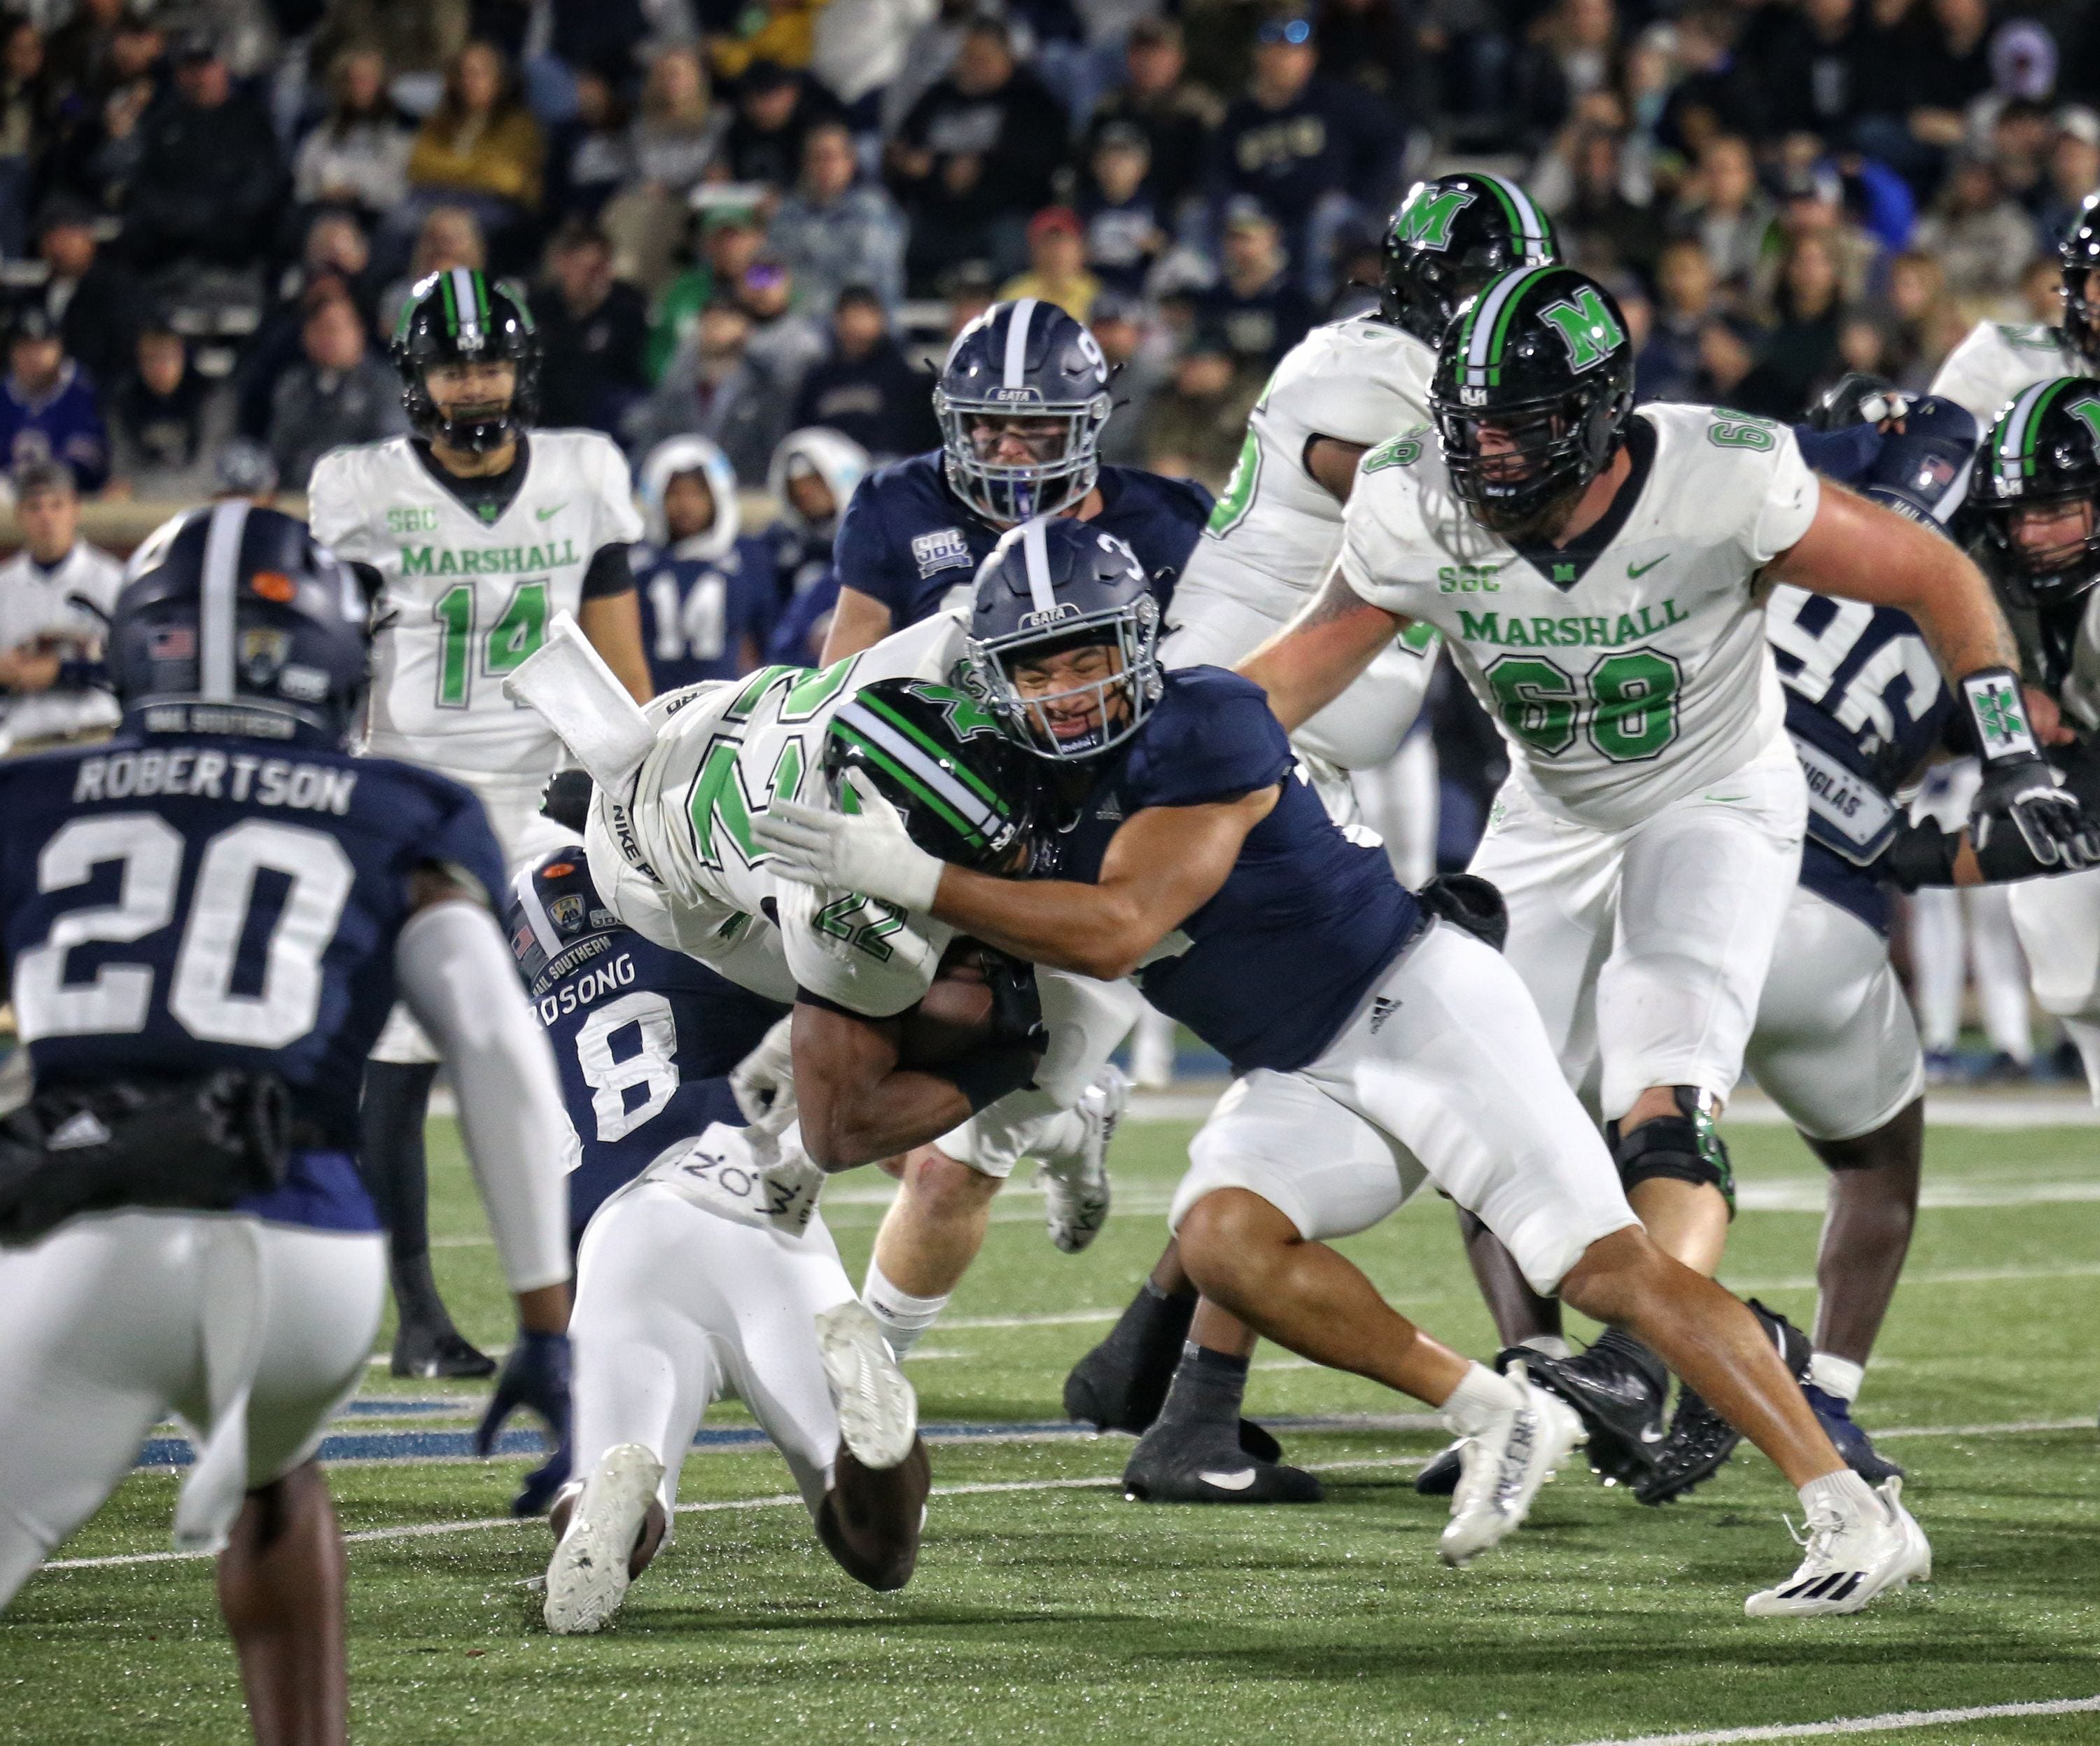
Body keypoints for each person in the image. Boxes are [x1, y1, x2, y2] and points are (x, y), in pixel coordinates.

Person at [750, 515, 1933, 1616]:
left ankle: (1854, 1511)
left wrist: (914, 874)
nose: (1067, 688)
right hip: (1295, 1067)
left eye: (1087, 654)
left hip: (1418, 1006)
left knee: (1604, 1268)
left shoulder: (1203, 721)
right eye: (1037, 666)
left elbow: (1118, 927)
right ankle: (1498, 1410)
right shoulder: (1013, 782)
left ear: (1138, 640)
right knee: (1222, 1237)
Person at [1226, 263, 2096, 1504]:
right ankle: (1572, 1373)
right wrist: (1147, 750)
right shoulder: (1415, 493)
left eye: (1519, 426)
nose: (1488, 455)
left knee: (1663, 1104)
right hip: (1553, 810)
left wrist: (2004, 753)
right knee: (1481, 1095)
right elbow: (1301, 665)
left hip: (1713, 797)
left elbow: (1929, 571)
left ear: (1595, 417)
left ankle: (1641, 1359)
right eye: (1471, 425)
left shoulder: (1722, 471)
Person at [0, 503, 573, 1736]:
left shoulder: (34, 796)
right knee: (276, 1476)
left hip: (90, 1222)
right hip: (311, 1255)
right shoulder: (404, 809)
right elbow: (492, 1047)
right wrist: (543, 1319)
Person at [1069, 172, 1559, 1458]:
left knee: (1310, 1061)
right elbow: (1424, 489)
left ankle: (1167, 1370)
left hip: (1275, 758)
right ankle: (1174, 1377)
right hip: (1229, 753)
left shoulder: (1412, 373)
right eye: (1476, 291)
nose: (1491, 319)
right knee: (1356, 1042)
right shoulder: (1368, 369)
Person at [308, 269, 650, 1379]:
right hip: (412, 797)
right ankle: (417, 1315)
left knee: (599, 1030)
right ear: (417, 379)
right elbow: (328, 659)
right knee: (400, 1054)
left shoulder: (584, 473)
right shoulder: (361, 489)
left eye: (490, 364)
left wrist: (627, 778)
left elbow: (621, 658)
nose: (474, 386)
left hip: (550, 798)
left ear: (522, 369)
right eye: (454, 368)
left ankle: (610, 1291)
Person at [506, 841, 929, 1634]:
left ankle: (602, 1503)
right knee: (880, 1551)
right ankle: (871, 1430)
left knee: (602, 1473)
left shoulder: (528, 1022)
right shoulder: (717, 941)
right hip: (755, 1207)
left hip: (619, 1236)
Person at [1966, 376, 2100, 1108]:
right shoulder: (1985, 571)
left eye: (2054, 510)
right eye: (2018, 514)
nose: (2031, 536)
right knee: (2066, 952)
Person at [631, 435, 777, 689]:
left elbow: (765, 636)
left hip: (727, 698)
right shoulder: (637, 563)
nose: (685, 505)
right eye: (674, 494)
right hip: (652, 696)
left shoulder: (748, 558)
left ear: (718, 495)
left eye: (697, 493)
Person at [0, 461, 122, 755]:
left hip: (96, 734)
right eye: (35, 507)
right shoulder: (4, 586)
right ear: (19, 514)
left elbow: (134, 667)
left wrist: (62, 672)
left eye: (57, 505)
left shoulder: (112, 579)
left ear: (75, 509)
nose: (46, 517)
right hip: (24, 740)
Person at [266, 286, 410, 493]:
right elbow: (280, 451)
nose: (329, 339)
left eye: (336, 329)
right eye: (319, 329)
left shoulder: (387, 385)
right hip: (300, 495)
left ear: (359, 332)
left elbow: (392, 450)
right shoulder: (294, 386)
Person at [790, 286, 939, 461]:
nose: (857, 324)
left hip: (884, 464)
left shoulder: (901, 375)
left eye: (864, 315)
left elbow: (910, 435)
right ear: (837, 320)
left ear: (880, 319)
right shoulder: (819, 378)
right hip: (830, 466)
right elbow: (803, 433)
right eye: (851, 316)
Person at [0, 305, 106, 491]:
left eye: (42, 347)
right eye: (25, 347)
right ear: (12, 352)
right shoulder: (4, 395)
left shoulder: (81, 391)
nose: (34, 357)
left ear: (59, 348)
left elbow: (87, 461)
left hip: (75, 498)